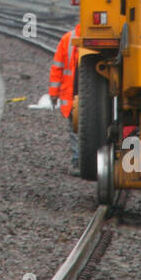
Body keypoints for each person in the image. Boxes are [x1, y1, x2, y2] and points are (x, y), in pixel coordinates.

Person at [47, 23, 81, 175]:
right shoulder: (69, 39)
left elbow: (57, 68)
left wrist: (54, 94)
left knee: (75, 130)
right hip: (86, 96)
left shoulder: (67, 38)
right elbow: (58, 67)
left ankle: (78, 161)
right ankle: (84, 160)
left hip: (73, 95)